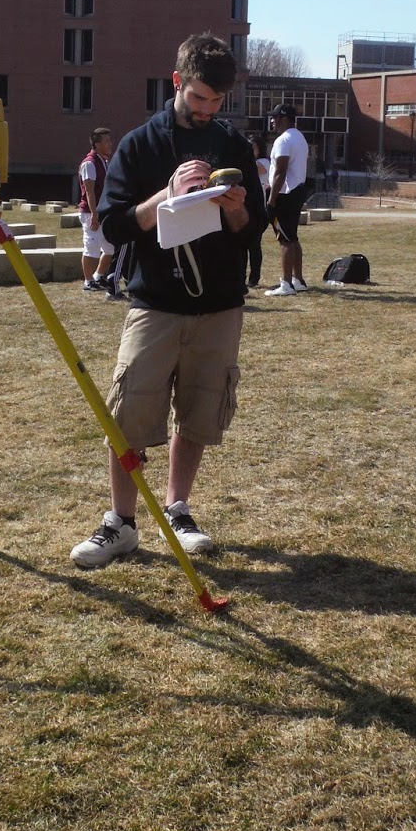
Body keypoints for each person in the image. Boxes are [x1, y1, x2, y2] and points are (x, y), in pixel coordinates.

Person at [70, 33, 266, 569]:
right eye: (200, 97)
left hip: (220, 303)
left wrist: (235, 210)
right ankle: (122, 522)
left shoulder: (231, 145)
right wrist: (165, 196)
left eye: (217, 101)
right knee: (129, 410)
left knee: (200, 410)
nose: (208, 110)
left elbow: (253, 233)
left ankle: (178, 511)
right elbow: (112, 224)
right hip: (154, 301)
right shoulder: (138, 145)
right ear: (177, 82)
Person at [263, 104, 309, 296]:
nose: (272, 121)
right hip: (298, 191)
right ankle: (298, 280)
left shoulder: (283, 140)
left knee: (284, 239)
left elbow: (280, 172)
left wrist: (271, 201)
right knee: (293, 237)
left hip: (284, 195)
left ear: (284, 119)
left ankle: (287, 284)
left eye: (275, 118)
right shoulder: (300, 137)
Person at [77, 127, 116, 292]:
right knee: (91, 247)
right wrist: (94, 214)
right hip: (90, 213)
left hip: (103, 212)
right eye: (106, 141)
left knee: (110, 248)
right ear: (97, 144)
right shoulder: (89, 163)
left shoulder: (104, 161)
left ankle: (98, 276)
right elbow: (90, 192)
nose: (110, 144)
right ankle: (88, 281)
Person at [246, 132, 269, 289]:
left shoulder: (263, 163)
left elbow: (251, 169)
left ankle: (254, 278)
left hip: (258, 209)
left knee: (254, 245)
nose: (249, 150)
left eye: (251, 147)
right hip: (246, 207)